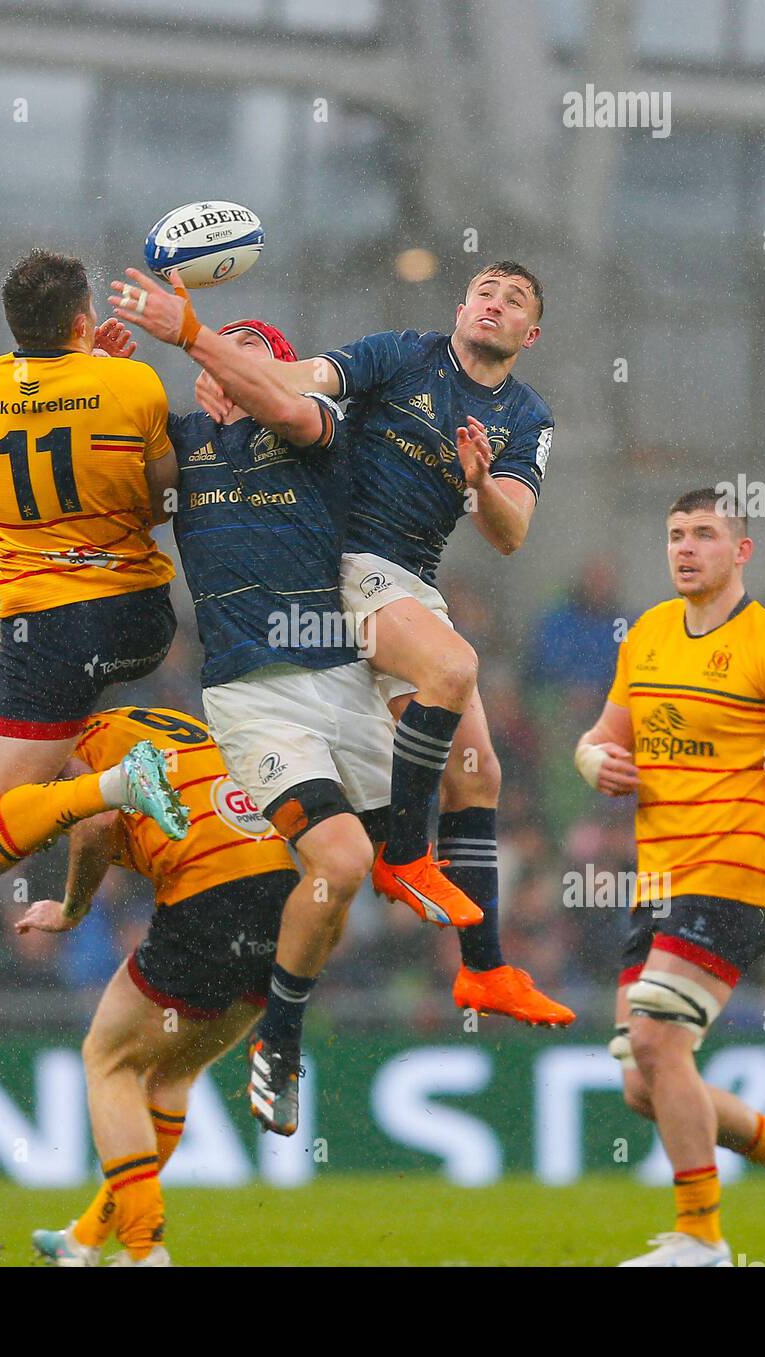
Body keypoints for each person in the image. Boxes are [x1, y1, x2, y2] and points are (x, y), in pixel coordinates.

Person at [108, 267, 505, 1136]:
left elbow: (285, 406)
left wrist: (193, 332)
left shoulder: (324, 432)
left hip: (342, 680)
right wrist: (101, 384)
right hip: (257, 695)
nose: (230, 372)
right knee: (341, 862)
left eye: (256, 358)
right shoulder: (182, 442)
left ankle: (472, 958)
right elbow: (128, 489)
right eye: (222, 360)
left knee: (436, 809)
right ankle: (282, 1040)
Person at [190, 262, 573, 1026]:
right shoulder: (405, 353)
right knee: (455, 666)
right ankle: (404, 852)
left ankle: (484, 969)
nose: (495, 303)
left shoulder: (529, 416)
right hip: (345, 565)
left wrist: (481, 482)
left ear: (530, 334)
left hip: (411, 581)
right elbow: (305, 375)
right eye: (486, 291)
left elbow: (511, 533)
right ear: (462, 307)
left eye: (515, 299)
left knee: (480, 770)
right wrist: (218, 357)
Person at [574, 487, 765, 1267]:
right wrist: (591, 760)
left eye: (704, 534)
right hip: (656, 883)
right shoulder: (648, 633)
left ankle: (702, 1236)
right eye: (675, 534)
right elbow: (603, 737)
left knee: (655, 1042)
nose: (685, 548)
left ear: (742, 551)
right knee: (645, 1079)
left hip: (732, 877)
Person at [19, 705, 298, 1267]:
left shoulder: (76, 744)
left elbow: (96, 822)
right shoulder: (168, 722)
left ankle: (145, 1251)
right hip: (283, 900)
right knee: (171, 1076)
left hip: (210, 898)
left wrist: (72, 910)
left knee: (108, 1058)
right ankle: (85, 1242)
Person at [0, 249, 186, 882]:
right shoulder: (131, 386)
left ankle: (120, 783)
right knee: (62, 764)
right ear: (83, 322)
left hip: (51, 629)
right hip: (140, 619)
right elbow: (164, 504)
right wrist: (106, 369)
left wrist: (89, 366)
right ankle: (104, 783)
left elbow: (45, 406)